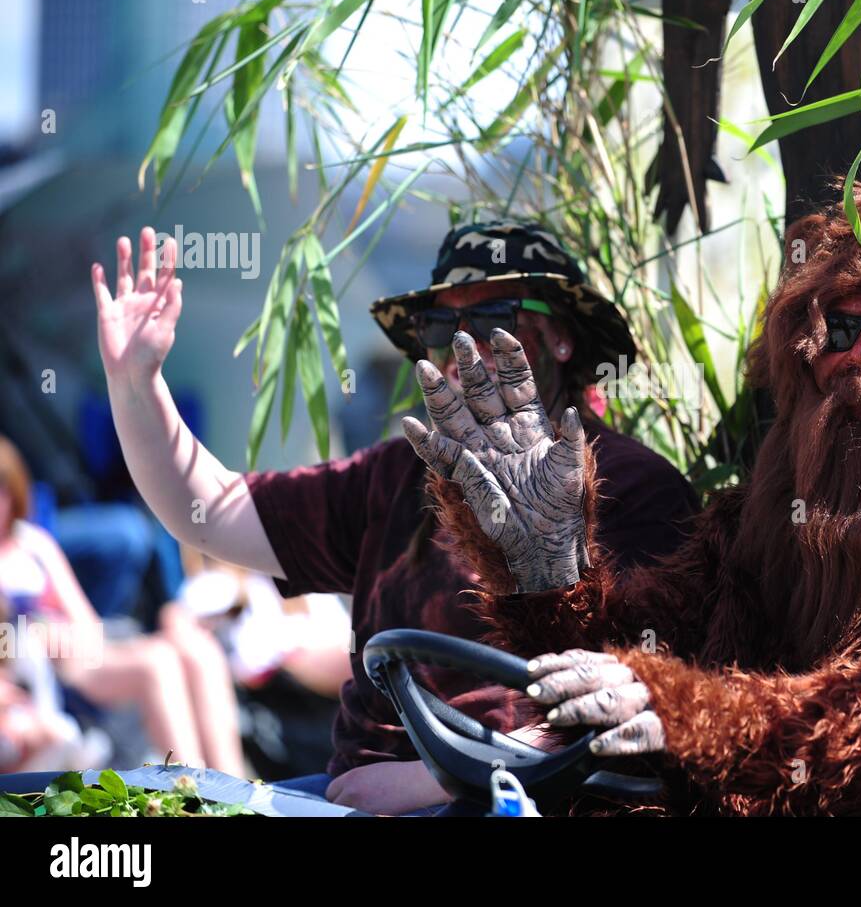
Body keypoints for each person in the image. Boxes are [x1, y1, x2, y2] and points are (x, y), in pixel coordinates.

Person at [406, 185, 861, 816]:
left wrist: (701, 715)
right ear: (802, 365)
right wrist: (548, 570)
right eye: (842, 330)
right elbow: (624, 675)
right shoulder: (753, 530)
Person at [91, 220, 698, 814]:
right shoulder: (401, 473)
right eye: (440, 328)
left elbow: (644, 700)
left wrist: (441, 779)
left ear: (560, 337)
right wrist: (135, 382)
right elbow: (212, 514)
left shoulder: (630, 486)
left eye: (491, 320)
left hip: (515, 798)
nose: (462, 346)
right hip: (345, 797)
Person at [0, 435, 243, 773]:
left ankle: (233, 781)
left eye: (3, 489)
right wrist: (37, 634)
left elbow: (84, 619)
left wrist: (68, 635)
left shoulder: (34, 544)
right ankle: (194, 789)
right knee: (155, 663)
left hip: (80, 655)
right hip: (39, 673)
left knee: (198, 651)